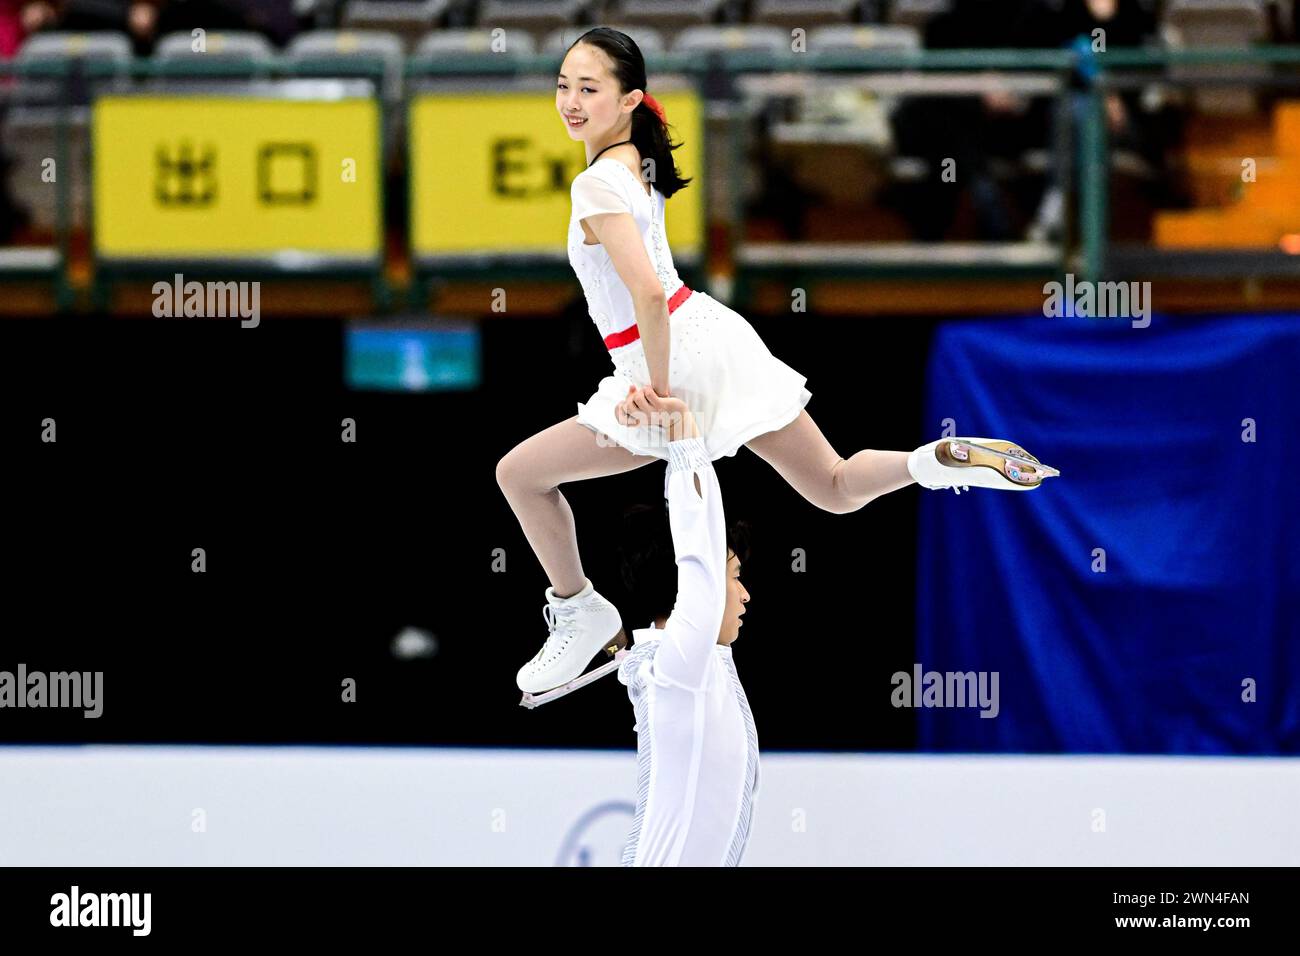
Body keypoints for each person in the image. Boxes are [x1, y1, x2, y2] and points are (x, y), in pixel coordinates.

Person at [498, 28, 1058, 699]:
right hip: (712, 335)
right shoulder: (631, 168)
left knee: (521, 475)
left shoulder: (596, 183)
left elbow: (645, 290)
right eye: (564, 85)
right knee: (834, 484)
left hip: (666, 352)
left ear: (629, 101)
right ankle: (931, 464)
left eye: (589, 88)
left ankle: (579, 607)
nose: (571, 100)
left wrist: (653, 384)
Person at [612, 385, 757, 866]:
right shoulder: (679, 667)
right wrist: (684, 439)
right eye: (735, 577)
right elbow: (697, 556)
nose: (745, 594)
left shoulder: (681, 669)